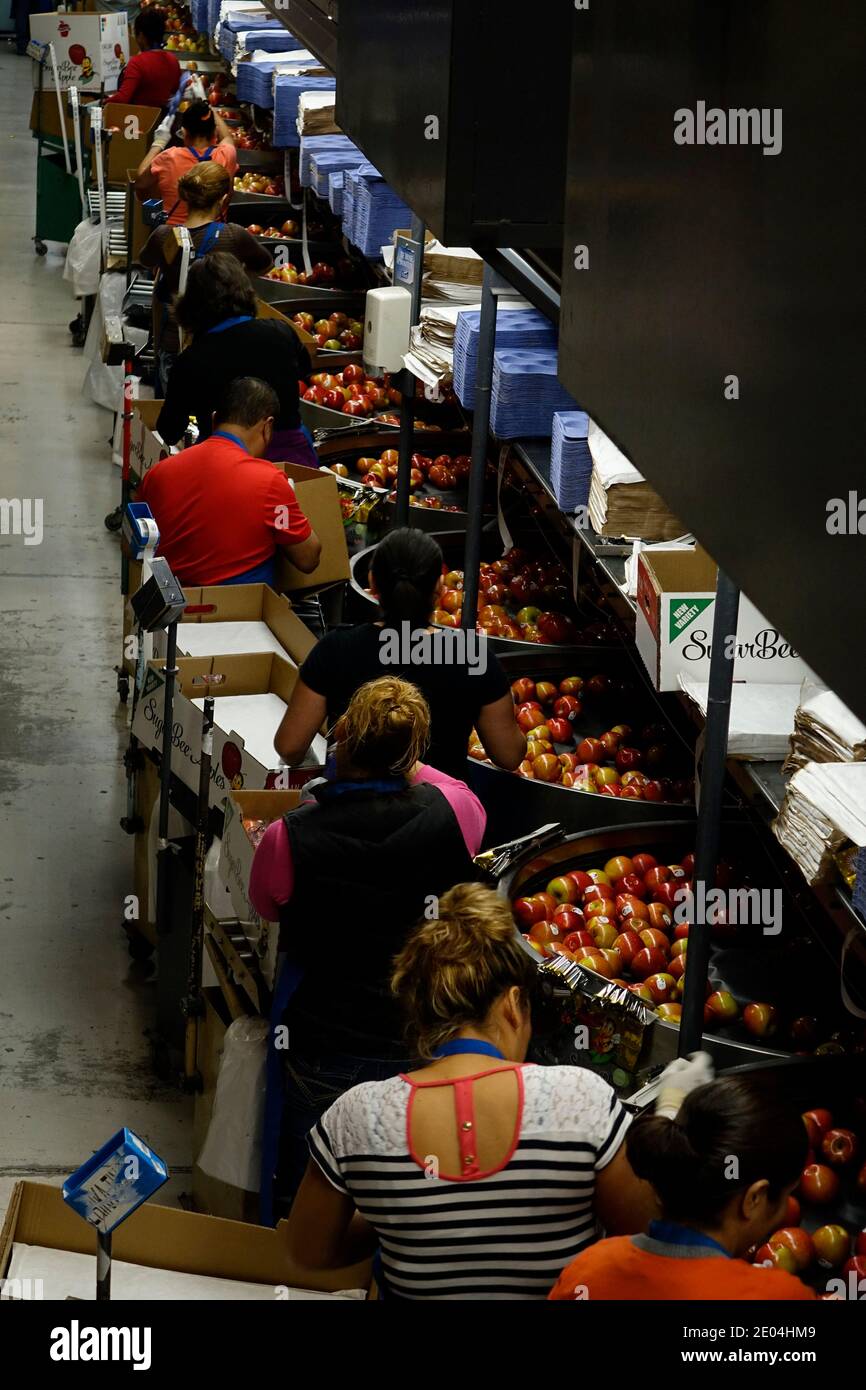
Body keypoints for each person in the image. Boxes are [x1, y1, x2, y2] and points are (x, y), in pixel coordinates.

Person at [285, 882, 656, 1298]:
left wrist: (396, 1211)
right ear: (514, 1005)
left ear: (421, 1018)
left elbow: (308, 1251)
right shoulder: (580, 1098)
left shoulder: (356, 1116)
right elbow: (650, 1233)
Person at [249, 677, 488, 1210]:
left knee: (307, 1189)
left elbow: (267, 905)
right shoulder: (457, 814)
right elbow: (446, 788)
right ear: (412, 753)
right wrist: (400, 756)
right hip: (420, 1044)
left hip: (325, 1043)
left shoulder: (287, 837)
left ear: (342, 735)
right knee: (403, 1194)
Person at [274, 528, 526, 781]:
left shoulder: (335, 649)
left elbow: (290, 747)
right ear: (439, 588)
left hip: (351, 810)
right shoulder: (471, 657)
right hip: (437, 811)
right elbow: (509, 756)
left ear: (372, 582)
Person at [549, 1075, 818, 1301]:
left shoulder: (587, 1269)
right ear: (754, 1199)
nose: (784, 1211)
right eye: (785, 1196)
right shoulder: (777, 1296)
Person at [138, 376, 321, 586]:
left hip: (170, 607)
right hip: (242, 611)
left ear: (215, 420)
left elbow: (134, 543)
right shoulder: (270, 482)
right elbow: (308, 558)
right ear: (267, 427)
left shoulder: (158, 473)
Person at [155, 254, 317, 468]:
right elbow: (306, 372)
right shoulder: (281, 332)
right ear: (245, 291)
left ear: (191, 304)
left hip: (223, 470)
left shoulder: (192, 361)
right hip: (293, 466)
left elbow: (169, 430)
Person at [139, 162, 272, 392]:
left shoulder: (164, 236)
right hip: (222, 350)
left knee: (175, 419)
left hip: (174, 344)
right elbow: (265, 264)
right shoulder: (234, 236)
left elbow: (145, 260)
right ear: (221, 200)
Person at [135, 100, 237, 227]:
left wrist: (158, 144)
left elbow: (140, 182)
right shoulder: (226, 155)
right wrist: (208, 108)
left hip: (173, 236)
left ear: (184, 132)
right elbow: (227, 137)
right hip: (213, 236)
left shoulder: (169, 157)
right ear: (214, 132)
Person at [104, 9, 180, 111]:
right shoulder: (173, 60)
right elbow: (175, 90)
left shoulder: (137, 63)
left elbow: (123, 98)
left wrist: (101, 103)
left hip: (139, 119)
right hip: (161, 120)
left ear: (141, 35)